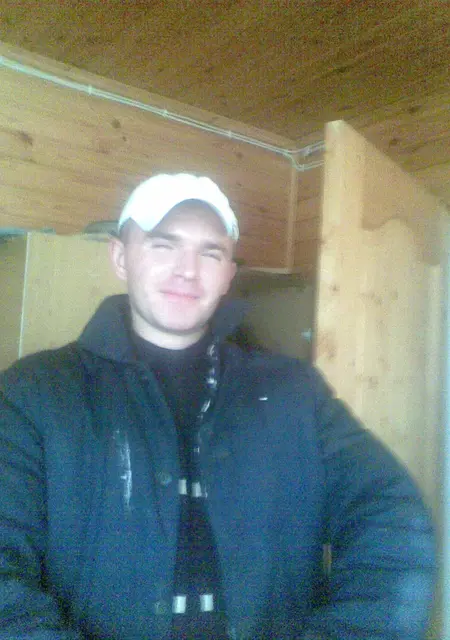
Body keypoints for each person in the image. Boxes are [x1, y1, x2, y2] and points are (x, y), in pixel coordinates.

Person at [0, 173, 436, 640]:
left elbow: (390, 514)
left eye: (210, 252)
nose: (187, 270)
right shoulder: (36, 393)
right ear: (120, 257)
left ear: (228, 273)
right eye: (164, 245)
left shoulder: (294, 392)